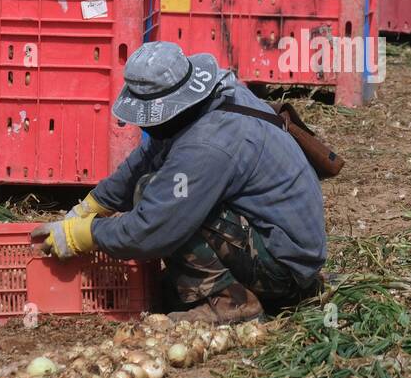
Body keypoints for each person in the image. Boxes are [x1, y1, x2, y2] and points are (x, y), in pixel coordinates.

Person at [33, 42, 328, 325]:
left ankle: (230, 301)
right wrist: (94, 204)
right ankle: (219, 284)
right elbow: (147, 156)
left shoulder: (206, 144)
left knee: (158, 195)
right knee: (155, 185)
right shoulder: (214, 99)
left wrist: (85, 234)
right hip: (283, 243)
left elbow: (152, 229)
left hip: (284, 268)